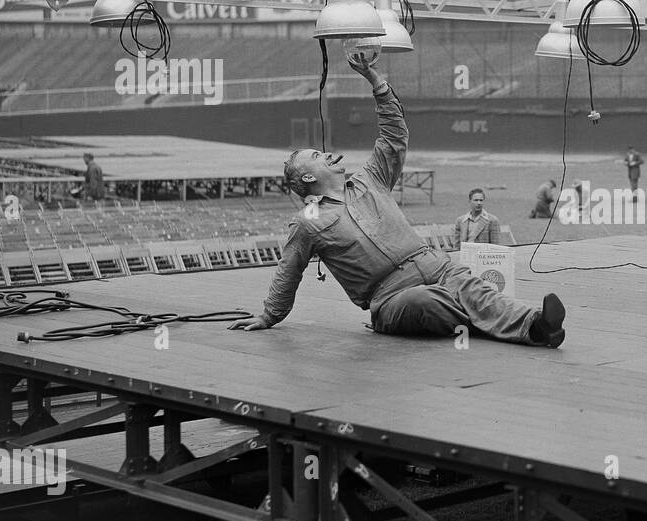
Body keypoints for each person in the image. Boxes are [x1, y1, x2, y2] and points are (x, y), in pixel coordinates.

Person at [230, 49, 566, 348]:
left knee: (471, 286)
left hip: (436, 265)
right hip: (392, 298)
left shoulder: (370, 179)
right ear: (307, 177)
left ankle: (539, 326)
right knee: (427, 300)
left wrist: (373, 78)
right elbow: (289, 270)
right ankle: (490, 321)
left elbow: (394, 134)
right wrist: (269, 316)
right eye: (318, 155)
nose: (329, 154)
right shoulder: (309, 222)